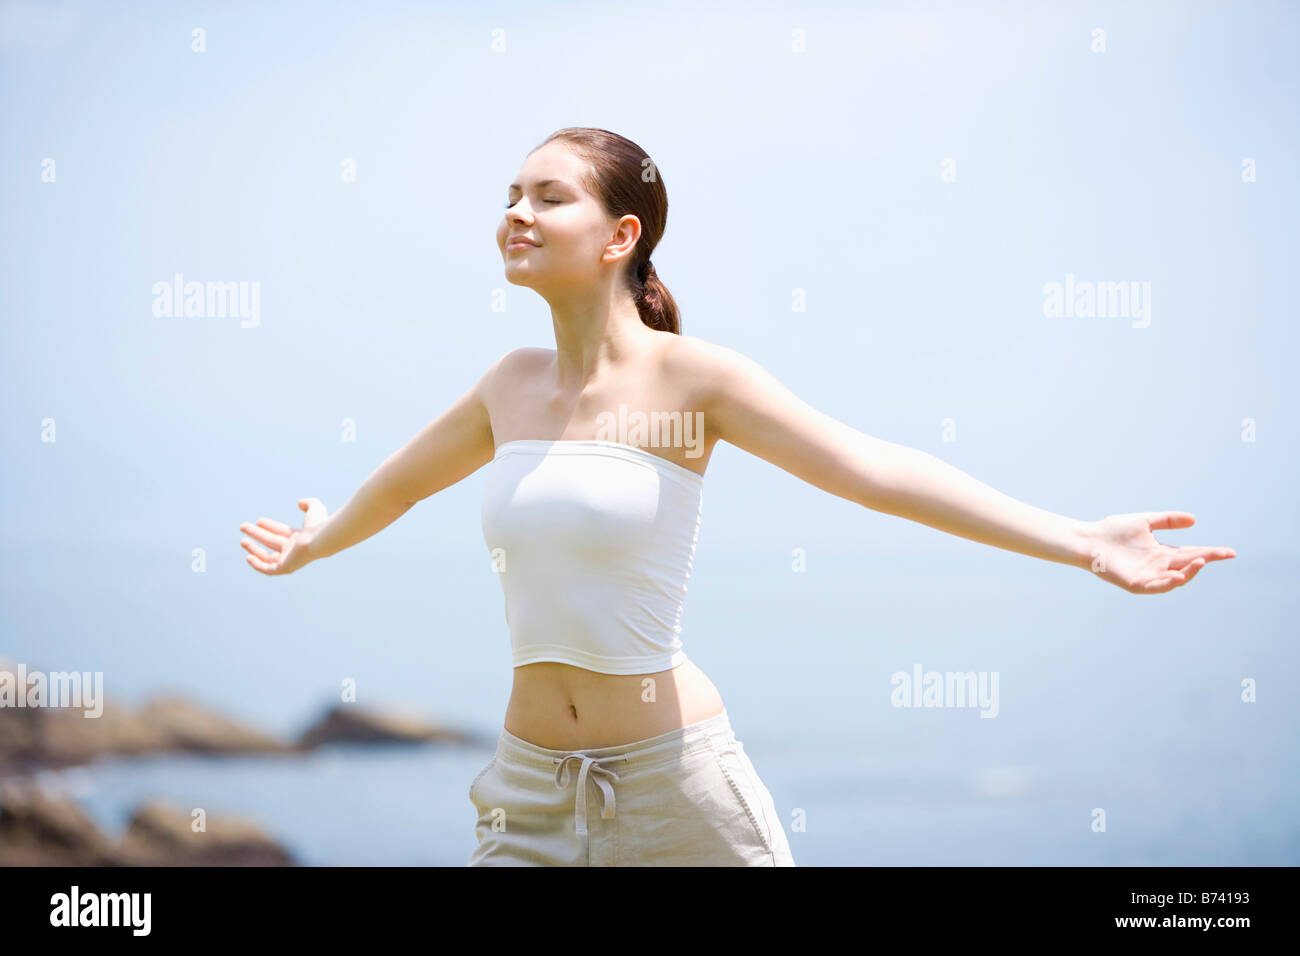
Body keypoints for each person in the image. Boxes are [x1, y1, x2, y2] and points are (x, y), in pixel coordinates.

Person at [238, 127, 1236, 866]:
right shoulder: (508, 383)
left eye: (547, 197)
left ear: (620, 234)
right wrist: (318, 542)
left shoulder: (697, 381)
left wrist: (1076, 538)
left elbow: (874, 468)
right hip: (528, 793)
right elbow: (398, 487)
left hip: (679, 791)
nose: (515, 212)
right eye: (510, 193)